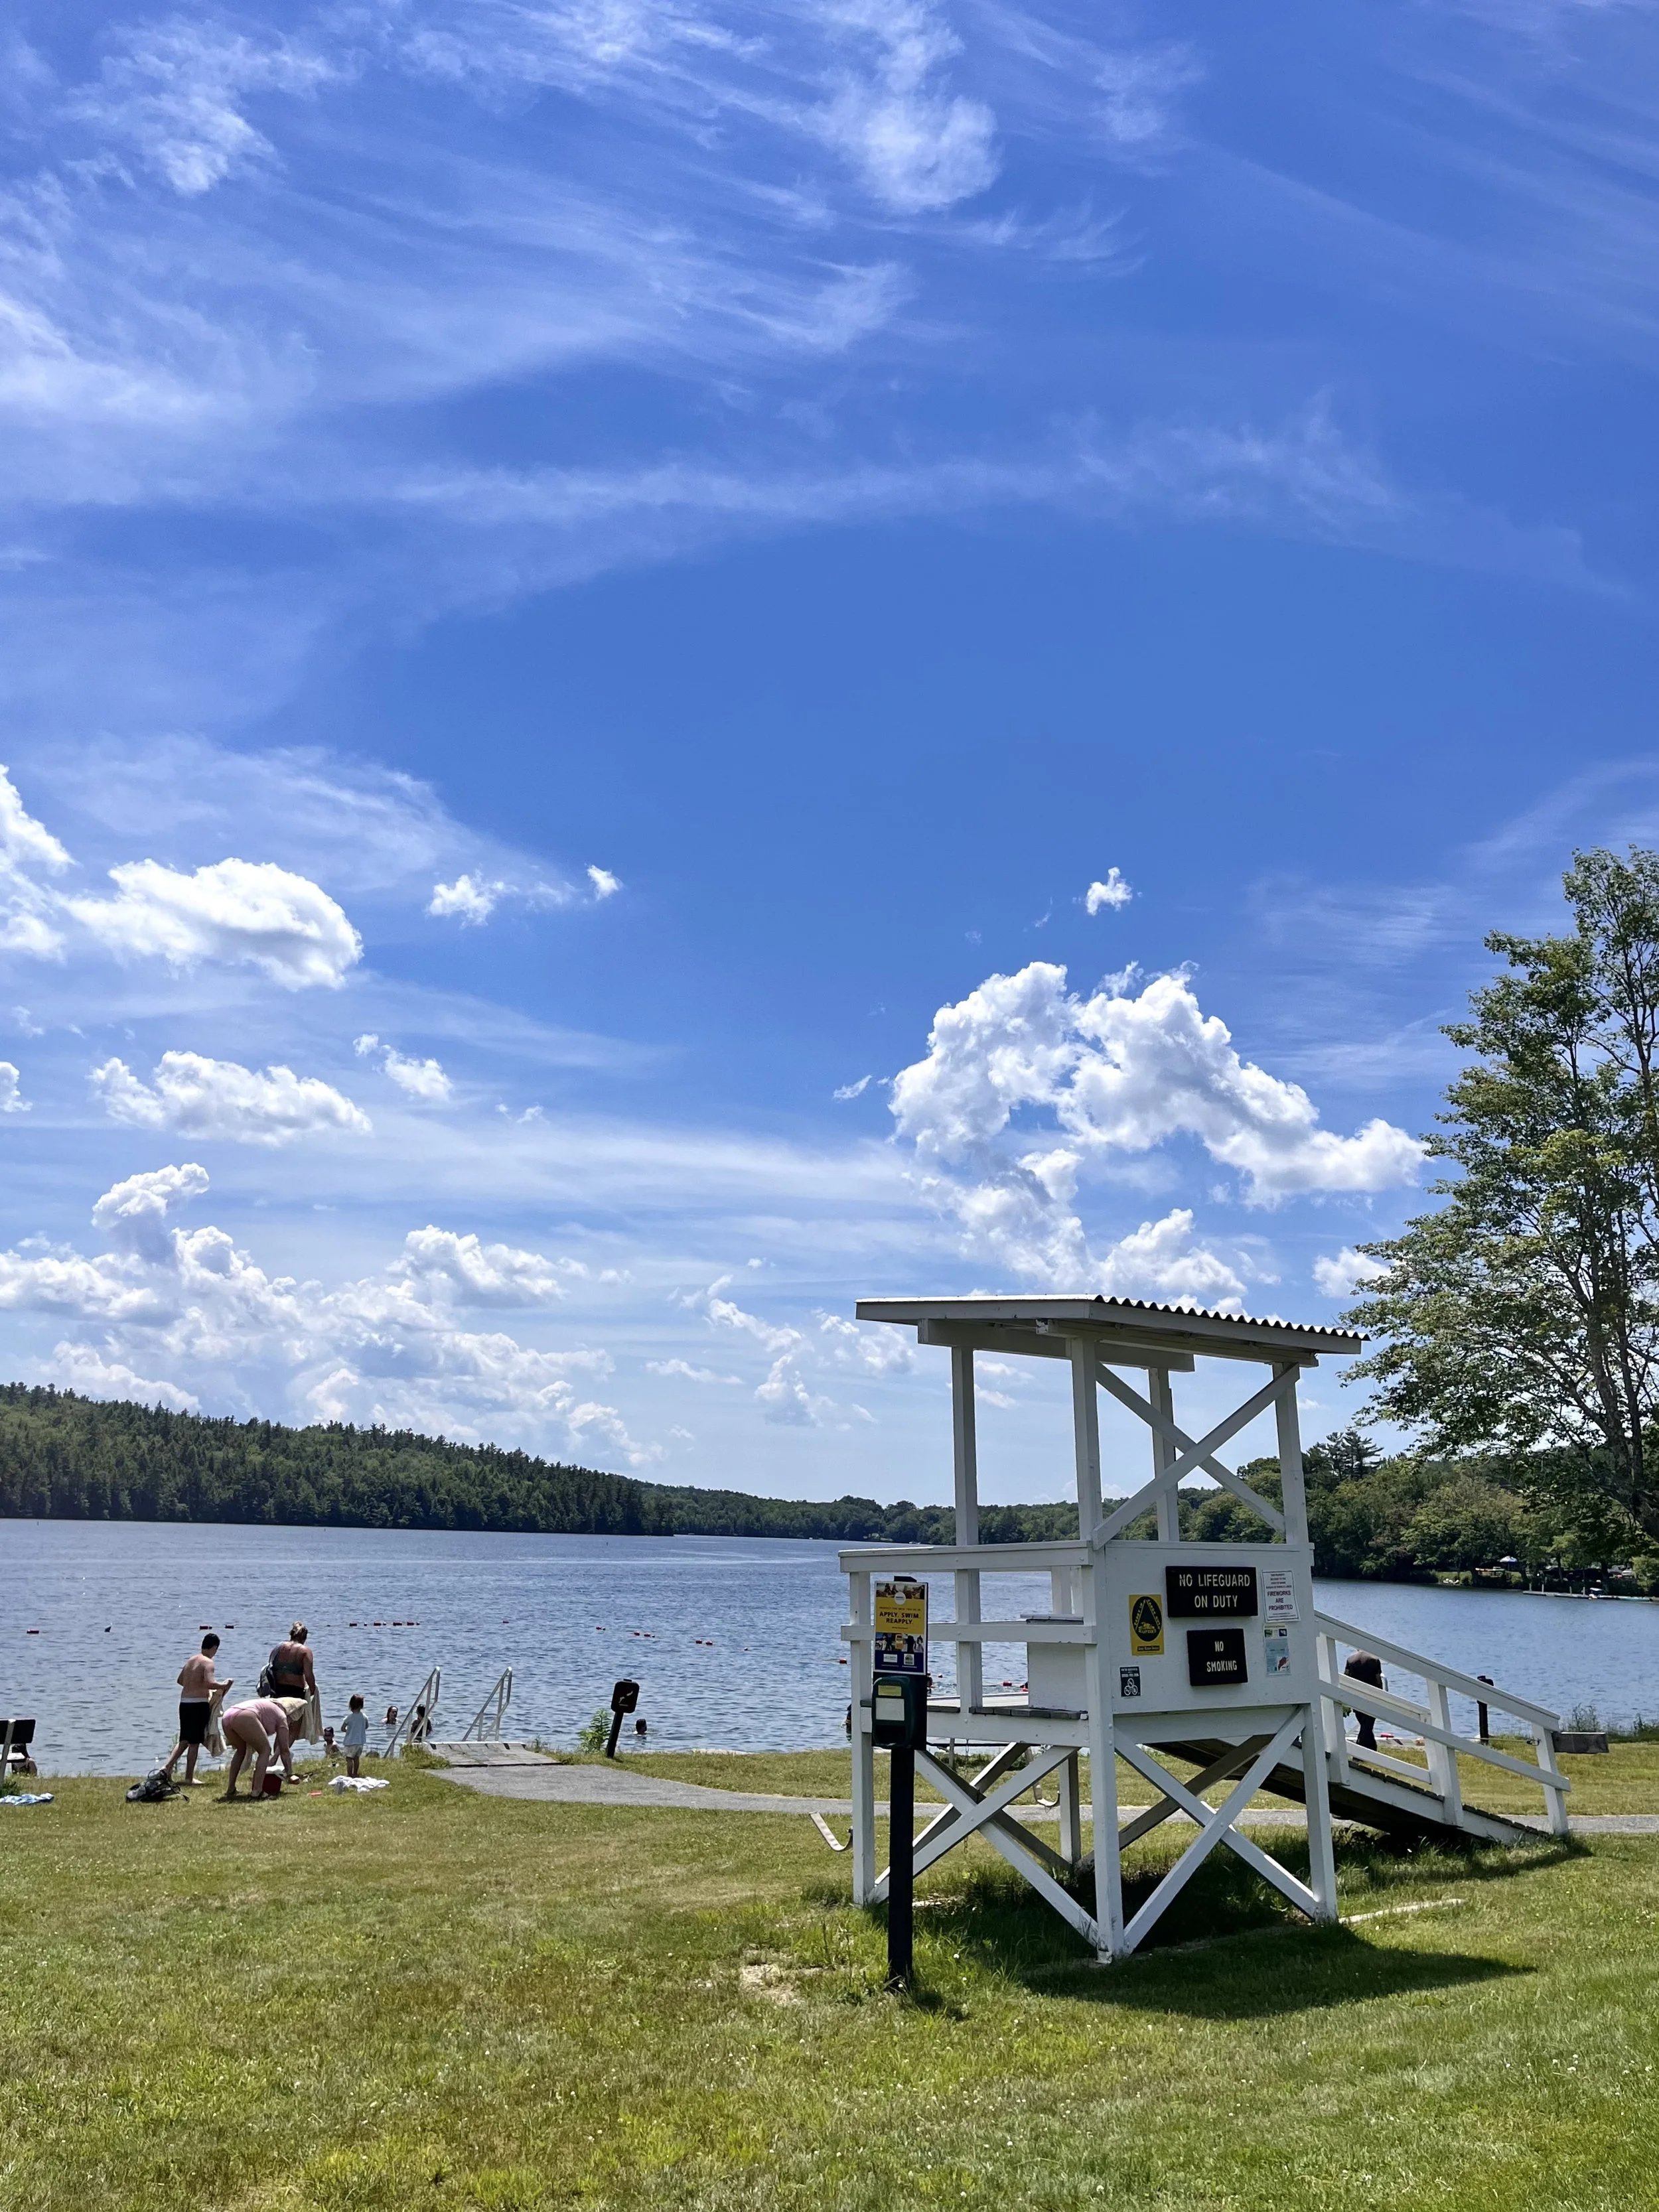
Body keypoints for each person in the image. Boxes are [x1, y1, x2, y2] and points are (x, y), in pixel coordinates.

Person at [162, 1632, 233, 1787]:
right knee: (194, 1743)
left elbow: (180, 1680)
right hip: (198, 1705)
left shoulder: (191, 1660)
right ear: (214, 1647)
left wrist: (193, 1685)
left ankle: (167, 1768)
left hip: (184, 1703)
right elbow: (209, 1682)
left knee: (184, 1740)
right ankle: (189, 1777)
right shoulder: (208, 1663)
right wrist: (224, 1685)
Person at [221, 1697, 297, 1799]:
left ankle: (231, 1789)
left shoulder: (268, 1707)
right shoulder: (282, 1717)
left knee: (241, 1750)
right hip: (246, 1715)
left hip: (228, 1715)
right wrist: (290, 1774)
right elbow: (284, 1750)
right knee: (265, 1751)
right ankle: (257, 1791)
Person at [1343, 1649, 1386, 1752]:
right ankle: (1363, 1750)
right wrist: (1381, 1696)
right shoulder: (1375, 1660)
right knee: (1367, 1725)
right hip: (1371, 1696)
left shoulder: (1350, 1659)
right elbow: (1378, 1679)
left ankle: (1369, 1749)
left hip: (1356, 1696)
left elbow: (1346, 1677)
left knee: (1364, 1724)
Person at [265, 1622, 317, 1704]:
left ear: (291, 1635)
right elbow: (308, 1675)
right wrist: (313, 1691)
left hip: (277, 1689)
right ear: (305, 1638)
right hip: (296, 1691)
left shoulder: (279, 1647)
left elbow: (270, 1666)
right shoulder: (305, 1651)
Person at [341, 1694, 369, 1778]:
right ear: (362, 1706)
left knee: (349, 1759)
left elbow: (342, 1728)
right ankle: (355, 1773)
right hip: (360, 1742)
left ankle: (349, 1775)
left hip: (351, 1742)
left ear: (351, 1705)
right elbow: (366, 1727)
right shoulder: (364, 1717)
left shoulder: (349, 1718)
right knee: (356, 1759)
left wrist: (348, 1731)